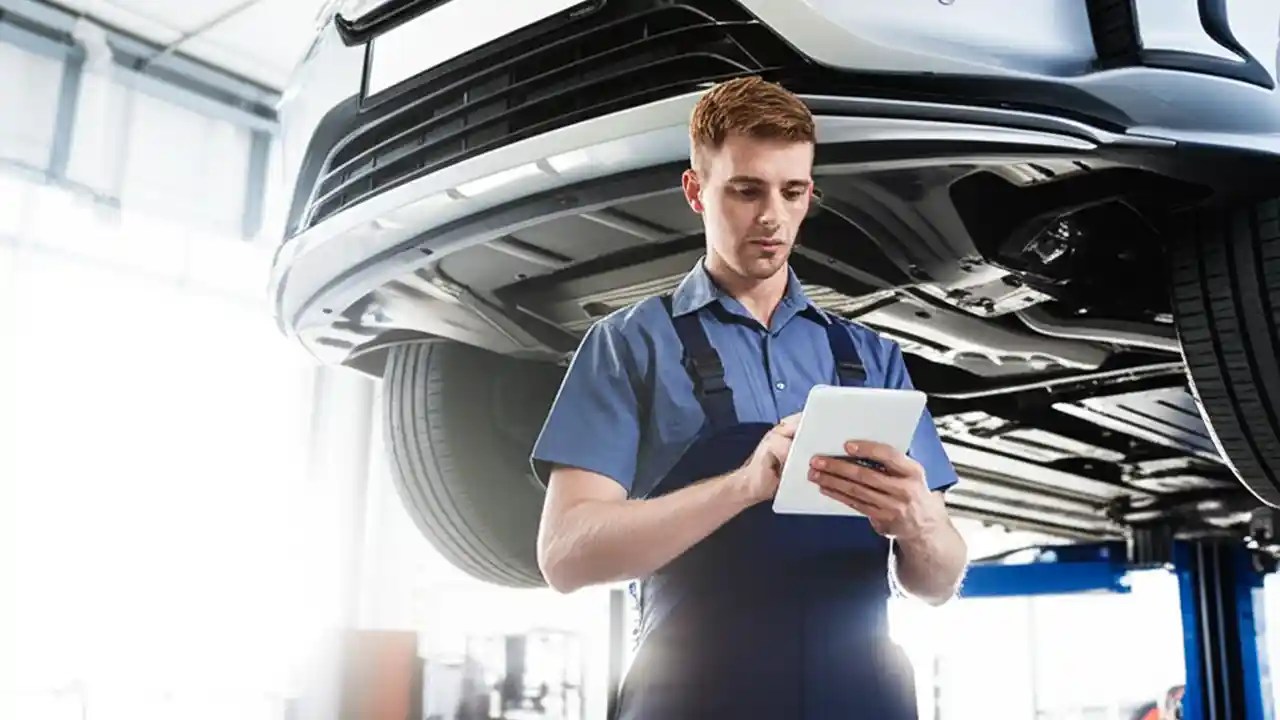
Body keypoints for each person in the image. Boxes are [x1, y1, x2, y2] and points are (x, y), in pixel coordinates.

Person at [529, 76, 969, 719]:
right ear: (695, 192)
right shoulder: (630, 346)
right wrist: (742, 486)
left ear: (809, 195)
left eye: (792, 192)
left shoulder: (872, 359)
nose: (771, 215)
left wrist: (918, 522)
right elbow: (565, 555)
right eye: (745, 190)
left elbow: (935, 583)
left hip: (858, 703)